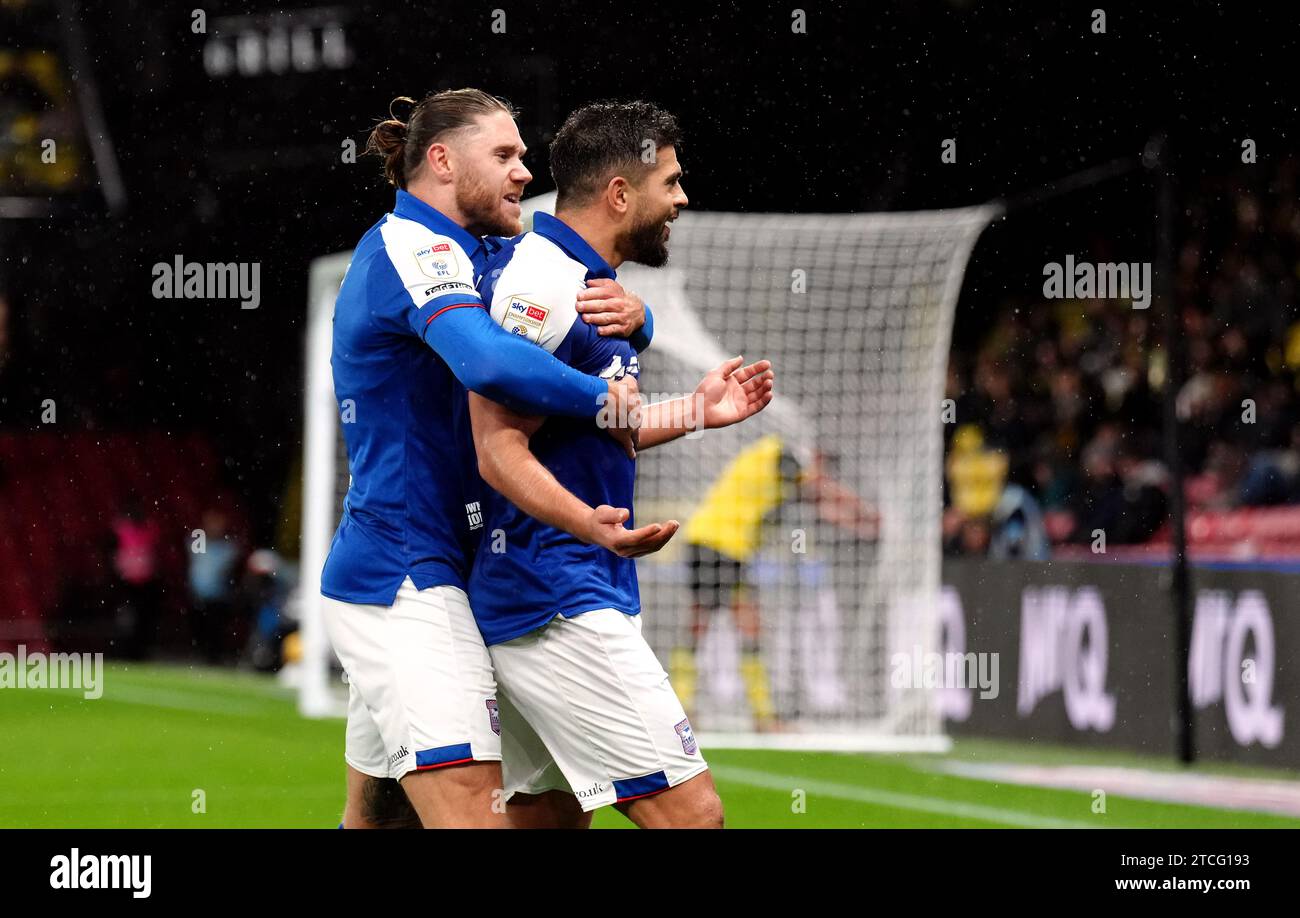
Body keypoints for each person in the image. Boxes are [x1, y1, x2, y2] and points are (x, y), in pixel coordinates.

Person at [321, 89, 666, 828]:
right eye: (504, 156)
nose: (523, 172)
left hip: (446, 571)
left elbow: (576, 288)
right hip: (406, 575)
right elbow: (487, 363)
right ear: (441, 161)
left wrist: (640, 321)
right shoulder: (408, 249)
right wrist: (603, 401)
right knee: (477, 813)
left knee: (379, 820)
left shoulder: (486, 254)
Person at [468, 101, 774, 828]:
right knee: (693, 817)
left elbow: (585, 422)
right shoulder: (543, 285)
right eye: (669, 181)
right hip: (554, 595)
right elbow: (497, 445)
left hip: (558, 588)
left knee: (548, 819)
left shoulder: (594, 289)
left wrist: (698, 410)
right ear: (618, 192)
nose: (681, 198)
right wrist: (586, 525)